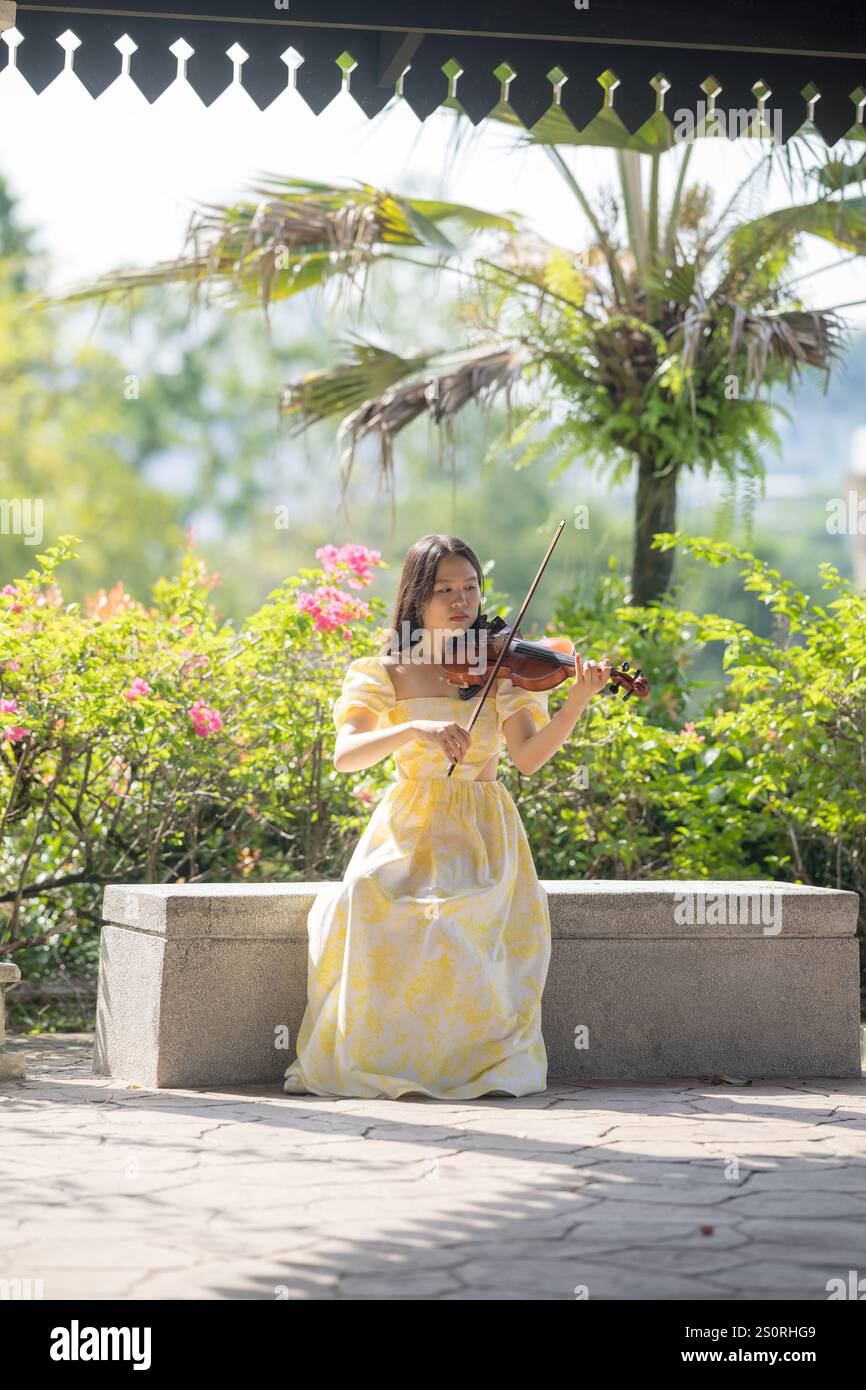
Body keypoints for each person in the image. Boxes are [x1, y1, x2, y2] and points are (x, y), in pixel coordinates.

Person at [283, 534, 611, 1100]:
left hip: (481, 832)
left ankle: (461, 1064)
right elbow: (346, 755)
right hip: (408, 821)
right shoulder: (387, 671)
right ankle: (385, 1057)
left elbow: (529, 760)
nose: (462, 601)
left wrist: (576, 700)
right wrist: (413, 728)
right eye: (444, 590)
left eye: (471, 587)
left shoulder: (501, 669)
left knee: (454, 919)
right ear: (417, 600)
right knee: (364, 893)